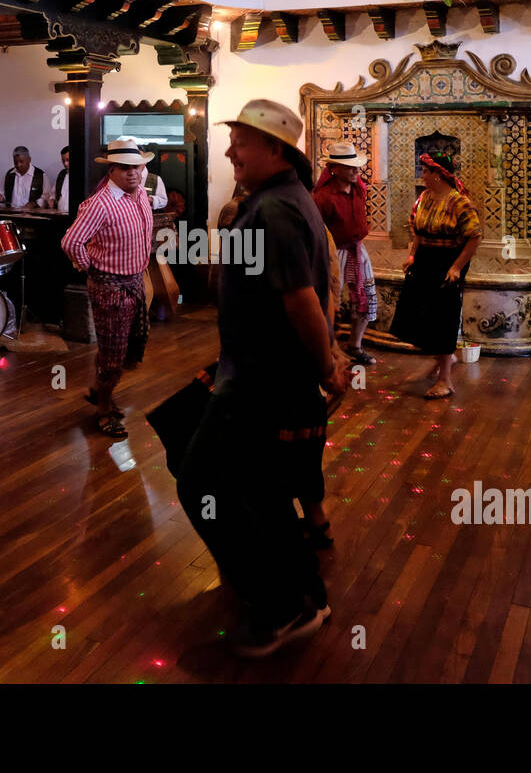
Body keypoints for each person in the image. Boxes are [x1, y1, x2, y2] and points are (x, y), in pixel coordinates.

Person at [177, 99, 349, 658]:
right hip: (257, 375)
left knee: (204, 483)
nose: (230, 151)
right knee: (265, 494)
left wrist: (326, 368)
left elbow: (301, 301)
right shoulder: (281, 201)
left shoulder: (275, 211)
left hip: (262, 385)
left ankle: (280, 605)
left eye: (241, 142)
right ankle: (301, 596)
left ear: (275, 150)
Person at [60, 138, 154, 438]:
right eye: (125, 169)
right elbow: (71, 242)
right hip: (110, 286)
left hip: (135, 280)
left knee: (131, 346)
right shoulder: (99, 204)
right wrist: (92, 267)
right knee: (113, 352)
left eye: (137, 168)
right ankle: (103, 409)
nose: (133, 174)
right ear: (111, 170)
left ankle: (102, 390)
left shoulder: (139, 194)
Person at [389, 150, 481, 399]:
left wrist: (456, 268)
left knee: (443, 317)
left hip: (447, 263)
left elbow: (474, 236)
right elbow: (416, 229)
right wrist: (411, 255)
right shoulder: (423, 199)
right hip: (424, 261)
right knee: (416, 313)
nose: (422, 175)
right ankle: (444, 357)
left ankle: (446, 380)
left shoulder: (459, 202)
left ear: (439, 175)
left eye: (426, 171)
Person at [313, 141, 378, 367]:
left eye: (356, 167)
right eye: (349, 167)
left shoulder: (359, 188)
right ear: (334, 169)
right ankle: (327, 349)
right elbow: (316, 230)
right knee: (329, 299)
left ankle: (355, 345)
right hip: (334, 252)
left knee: (366, 297)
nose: (355, 171)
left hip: (358, 249)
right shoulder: (323, 197)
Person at [54, 145, 70, 212]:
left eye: (68, 160)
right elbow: (53, 193)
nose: (65, 164)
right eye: (63, 161)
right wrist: (51, 199)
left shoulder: (84, 176)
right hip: (60, 215)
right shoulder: (62, 174)